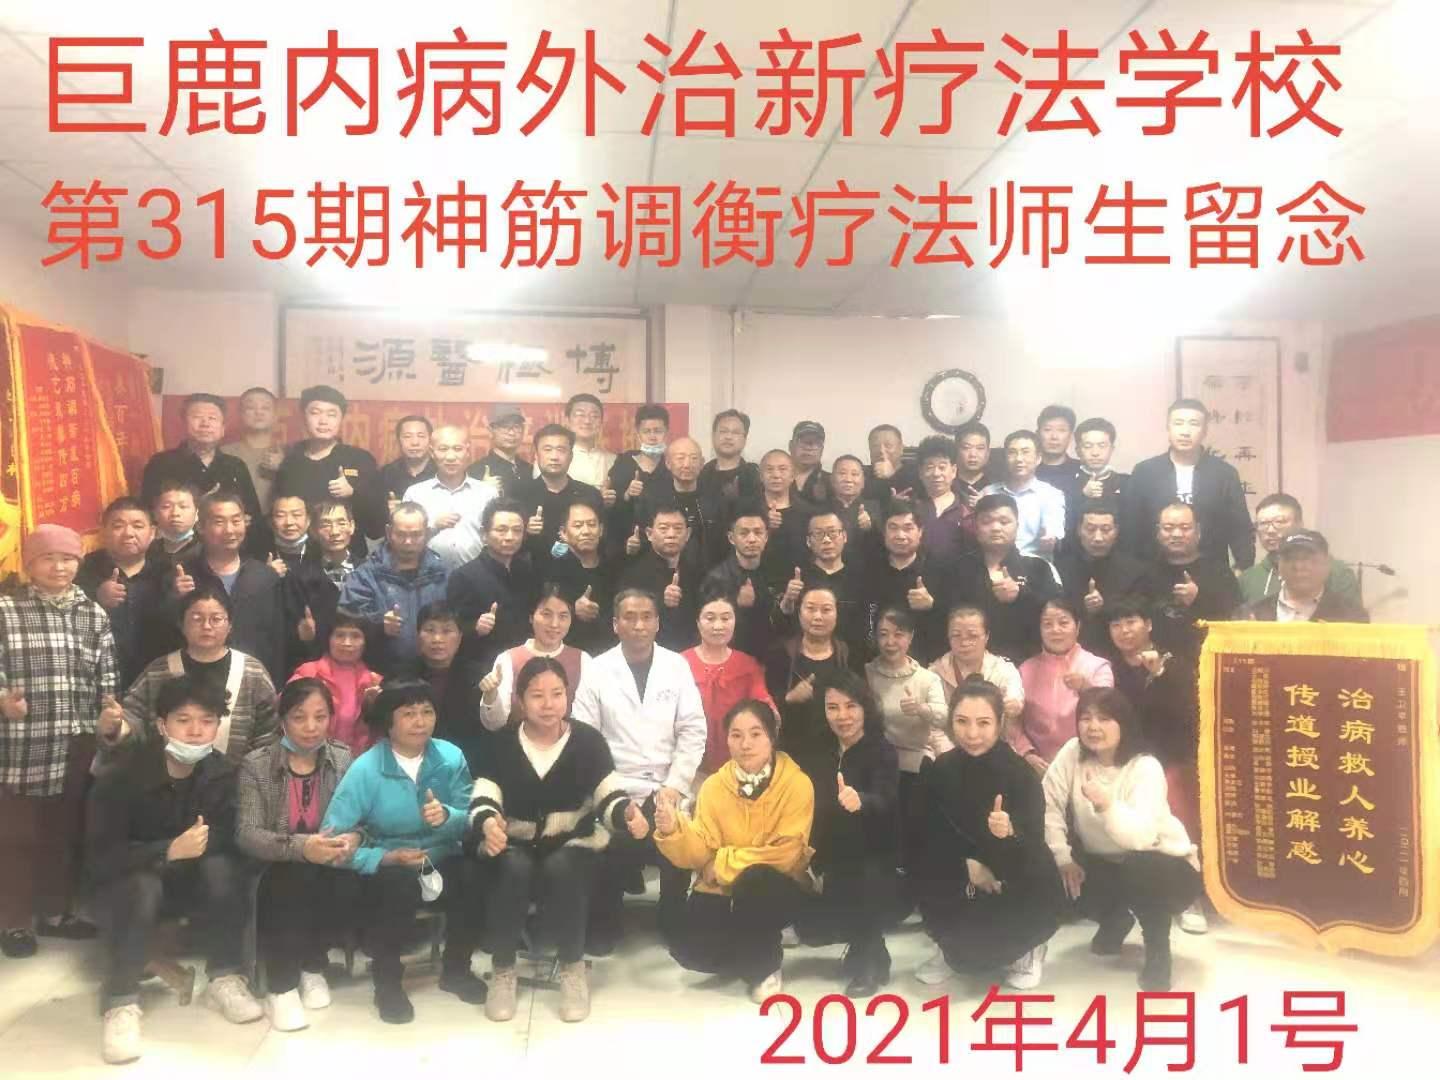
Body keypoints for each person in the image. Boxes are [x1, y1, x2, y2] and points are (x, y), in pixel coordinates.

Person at [88, 677, 259, 1064]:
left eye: (207, 721)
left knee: (224, 869)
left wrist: (196, 849)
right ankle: (120, 1001)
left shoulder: (222, 772)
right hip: (127, 884)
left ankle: (224, 977)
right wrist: (166, 850)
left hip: (190, 883)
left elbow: (232, 836)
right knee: (142, 887)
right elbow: (100, 857)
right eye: (184, 720)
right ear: (161, 725)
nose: (196, 731)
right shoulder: (123, 774)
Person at [471, 657, 638, 1023]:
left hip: (572, 841)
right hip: (515, 841)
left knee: (564, 865)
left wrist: (626, 814)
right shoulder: (501, 744)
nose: (548, 704)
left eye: (557, 694)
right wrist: (488, 824)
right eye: (537, 696)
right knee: (512, 867)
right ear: (520, 700)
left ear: (568, 696)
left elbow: (609, 795)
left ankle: (572, 968)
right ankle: (503, 970)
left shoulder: (588, 741)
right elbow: (484, 796)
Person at [320, 682, 486, 1023]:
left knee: (474, 874)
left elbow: (471, 817)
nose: (420, 721)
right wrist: (381, 858)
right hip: (390, 862)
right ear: (389, 722)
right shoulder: (366, 768)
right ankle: (387, 983)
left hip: (439, 857)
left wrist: (448, 817)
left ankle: (457, 969)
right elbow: (330, 841)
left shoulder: (451, 756)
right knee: (395, 886)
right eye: (408, 714)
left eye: (427, 712)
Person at [0, 525, 122, 959]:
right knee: (16, 836)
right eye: (48, 558)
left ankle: (54, 913)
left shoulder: (93, 614)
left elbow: (107, 675)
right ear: (28, 564)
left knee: (64, 831)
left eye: (68, 558)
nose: (59, 567)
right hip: (19, 744)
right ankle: (14, 921)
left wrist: (108, 715)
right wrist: (3, 701)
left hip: (76, 740)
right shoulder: (6, 610)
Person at [571, 589, 707, 951]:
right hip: (616, 783)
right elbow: (585, 738)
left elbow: (693, 730)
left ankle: (673, 915)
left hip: (668, 782)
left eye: (647, 616)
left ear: (658, 623)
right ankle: (606, 918)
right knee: (613, 838)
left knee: (676, 830)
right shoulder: (597, 669)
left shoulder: (676, 666)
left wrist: (675, 786)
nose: (639, 625)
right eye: (629, 617)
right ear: (615, 624)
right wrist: (613, 794)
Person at [654, 699, 814, 1003]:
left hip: (779, 885)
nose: (745, 744)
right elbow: (700, 852)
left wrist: (723, 863)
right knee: (689, 951)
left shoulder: (797, 783)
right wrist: (673, 830)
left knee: (756, 880)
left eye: (756, 734)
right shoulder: (715, 786)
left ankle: (765, 965)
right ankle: (750, 947)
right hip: (725, 888)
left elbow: (786, 854)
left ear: (772, 737)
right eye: (736, 735)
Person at [1042, 687, 1201, 991]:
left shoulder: (1144, 766)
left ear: (1124, 723)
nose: (1093, 727)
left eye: (1104, 719)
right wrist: (1062, 858)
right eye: (1086, 718)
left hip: (1167, 869)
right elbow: (1048, 805)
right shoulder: (1073, 753)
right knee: (1049, 866)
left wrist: (1107, 805)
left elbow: (1141, 837)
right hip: (1106, 862)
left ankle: (1158, 951)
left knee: (1142, 867)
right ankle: (1115, 919)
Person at [913, 678, 1064, 990]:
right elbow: (927, 832)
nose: (972, 734)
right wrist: (966, 865)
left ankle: (1029, 948)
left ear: (1000, 723)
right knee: (964, 957)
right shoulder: (940, 769)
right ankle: (948, 948)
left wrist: (1010, 831)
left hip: (1010, 878)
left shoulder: (1020, 773)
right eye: (962, 721)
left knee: (987, 949)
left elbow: (1035, 844)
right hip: (963, 875)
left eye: (983, 723)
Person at [237, 678, 360, 1031]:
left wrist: (354, 838)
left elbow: (362, 819)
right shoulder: (256, 764)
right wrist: (302, 848)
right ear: (282, 721)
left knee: (344, 880)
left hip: (329, 863)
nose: (311, 727)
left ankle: (313, 965)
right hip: (273, 865)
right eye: (299, 717)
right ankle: (282, 986)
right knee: (294, 876)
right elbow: (247, 834)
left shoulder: (342, 757)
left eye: (320, 717)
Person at [797, 672, 899, 997]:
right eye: (833, 707)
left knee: (863, 878)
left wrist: (862, 801)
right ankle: (873, 951)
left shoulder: (882, 750)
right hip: (831, 853)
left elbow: (887, 801)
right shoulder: (818, 750)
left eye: (851, 706)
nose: (843, 716)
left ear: (865, 707)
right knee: (809, 927)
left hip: (875, 852)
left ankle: (867, 958)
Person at [120, 586, 278, 762]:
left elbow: (268, 734)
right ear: (182, 625)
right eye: (197, 619)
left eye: (216, 619)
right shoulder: (159, 670)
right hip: (165, 774)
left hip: (239, 775)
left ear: (230, 625)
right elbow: (133, 715)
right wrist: (118, 726)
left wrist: (251, 771)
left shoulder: (252, 672)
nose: (206, 626)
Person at [864, 608, 947, 883]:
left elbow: (944, 716)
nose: (890, 642)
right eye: (883, 634)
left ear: (910, 637)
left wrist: (921, 709)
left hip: (914, 759)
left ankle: (916, 877)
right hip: (877, 763)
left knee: (915, 820)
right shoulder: (867, 673)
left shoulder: (927, 678)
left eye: (898, 634)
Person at [170, 491, 287, 683]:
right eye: (219, 522)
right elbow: (166, 634)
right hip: (195, 682)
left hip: (252, 681)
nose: (230, 530)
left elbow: (277, 640)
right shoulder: (182, 574)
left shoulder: (264, 577)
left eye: (236, 520)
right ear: (200, 527)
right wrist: (176, 599)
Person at [1127, 398, 1254, 569]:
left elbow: (1240, 529)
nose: (1185, 432)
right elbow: (1131, 528)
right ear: (1168, 428)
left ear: (1205, 431)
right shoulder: (1145, 472)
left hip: (1211, 571)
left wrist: (1242, 569)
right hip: (1153, 572)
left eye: (1194, 424)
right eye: (1178, 423)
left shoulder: (1224, 474)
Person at [339, 502, 450, 676]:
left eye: (416, 535)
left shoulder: (443, 574)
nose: (408, 541)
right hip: (380, 674)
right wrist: (379, 625)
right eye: (401, 534)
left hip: (435, 672)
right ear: (389, 532)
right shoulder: (365, 575)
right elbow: (346, 622)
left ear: (427, 533)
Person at [274, 385, 385, 560]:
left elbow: (377, 526)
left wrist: (353, 493)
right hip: (299, 557)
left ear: (341, 419)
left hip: (348, 558)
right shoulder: (290, 461)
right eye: (315, 413)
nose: (323, 421)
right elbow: (279, 514)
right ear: (303, 417)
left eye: (331, 414)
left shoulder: (360, 459)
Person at [766, 585, 858, 790]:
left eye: (826, 610)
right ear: (799, 613)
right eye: (810, 608)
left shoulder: (848, 655)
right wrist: (789, 698)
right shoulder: (780, 654)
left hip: (838, 758)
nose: (818, 616)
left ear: (837, 614)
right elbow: (763, 707)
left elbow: (863, 704)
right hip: (789, 757)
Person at [683, 592, 775, 782]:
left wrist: (771, 715)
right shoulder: (679, 663)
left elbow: (762, 704)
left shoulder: (747, 665)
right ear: (698, 622)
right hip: (688, 768)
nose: (718, 626)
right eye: (710, 618)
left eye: (726, 618)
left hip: (738, 767)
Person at [480, 586, 595, 732]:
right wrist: (490, 696)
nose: (554, 624)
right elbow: (494, 724)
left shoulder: (583, 660)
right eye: (546, 614)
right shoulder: (508, 659)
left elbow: (589, 721)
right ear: (531, 617)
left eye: (563, 616)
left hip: (571, 742)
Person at [1017, 598, 1115, 769]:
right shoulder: (1025, 670)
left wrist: (1086, 687)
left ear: (1078, 627)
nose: (1055, 630)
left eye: (1063, 623)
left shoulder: (1097, 666)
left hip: (1089, 763)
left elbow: (1108, 712)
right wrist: (1026, 753)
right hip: (1037, 766)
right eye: (1047, 624)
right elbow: (1012, 722)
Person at [77, 496, 164, 687]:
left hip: (155, 680)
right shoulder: (82, 570)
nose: (128, 533)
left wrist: (180, 596)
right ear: (103, 532)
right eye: (118, 526)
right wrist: (96, 597)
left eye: (138, 526)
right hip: (95, 680)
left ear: (152, 532)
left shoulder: (167, 572)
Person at [962, 493, 1059, 664]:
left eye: (1004, 521)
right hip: (969, 663)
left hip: (1026, 663)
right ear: (976, 528)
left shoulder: (1038, 567)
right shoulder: (958, 568)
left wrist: (1021, 594)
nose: (996, 528)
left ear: (1017, 526)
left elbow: (1057, 615)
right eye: (986, 521)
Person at [141, 392, 262, 529]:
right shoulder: (161, 463)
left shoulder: (236, 466)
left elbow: (253, 516)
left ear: (223, 429)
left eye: (212, 418)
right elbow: (147, 515)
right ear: (184, 424)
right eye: (197, 417)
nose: (205, 424)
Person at [395, 604, 491, 774]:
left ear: (459, 638)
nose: (437, 639)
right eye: (430, 630)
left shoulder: (478, 677)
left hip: (465, 766)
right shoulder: (401, 676)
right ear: (418, 636)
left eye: (447, 631)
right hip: (411, 765)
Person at [447, 499, 539, 672]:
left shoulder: (528, 572)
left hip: (526, 665)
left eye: (517, 530)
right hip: (483, 669)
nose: (510, 537)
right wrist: (475, 628)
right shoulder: (464, 576)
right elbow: (451, 631)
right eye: (501, 530)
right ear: (484, 533)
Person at [862, 500, 958, 664]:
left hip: (928, 663)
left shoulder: (940, 570)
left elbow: (956, 622)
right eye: (893, 528)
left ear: (920, 532)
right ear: (884, 532)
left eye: (908, 528)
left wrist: (932, 605)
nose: (900, 535)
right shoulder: (870, 570)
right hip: (876, 663)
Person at [1055, 502, 1159, 653]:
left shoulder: (1135, 571)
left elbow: (1140, 614)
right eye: (1090, 529)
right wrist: (1084, 607)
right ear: (1079, 530)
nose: (1098, 537)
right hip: (1073, 651)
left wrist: (1104, 606)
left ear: (1116, 531)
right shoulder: (1060, 569)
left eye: (1105, 530)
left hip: (1122, 651)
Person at [1149, 502, 1244, 662]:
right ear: (1158, 532)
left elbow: (1235, 620)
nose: (1177, 534)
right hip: (1159, 663)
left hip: (1210, 660)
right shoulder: (1146, 573)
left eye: (1185, 527)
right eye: (1168, 528)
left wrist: (1198, 598)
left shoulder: (1219, 572)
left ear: (1198, 532)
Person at [1239, 495, 1362, 607]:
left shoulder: (1336, 573)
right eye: (1263, 523)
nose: (1270, 530)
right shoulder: (1249, 579)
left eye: (1280, 522)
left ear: (1300, 524)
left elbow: (1353, 620)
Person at [288, 612, 383, 756]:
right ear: (328, 640)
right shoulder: (309, 672)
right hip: (313, 759)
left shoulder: (375, 681)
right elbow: (281, 711)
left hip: (358, 762)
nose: (347, 643)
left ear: (365, 642)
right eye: (340, 635)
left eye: (355, 636)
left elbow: (385, 732)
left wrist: (376, 707)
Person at [403, 424, 494, 570]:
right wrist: (433, 526)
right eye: (443, 449)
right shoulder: (415, 493)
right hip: (427, 577)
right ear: (432, 452)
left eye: (457, 449)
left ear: (467, 451)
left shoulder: (487, 493)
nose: (450, 457)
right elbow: (402, 540)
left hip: (476, 576)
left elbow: (496, 538)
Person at [618, 499, 703, 652]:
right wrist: (663, 605)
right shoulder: (634, 575)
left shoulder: (696, 571)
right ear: (649, 534)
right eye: (663, 528)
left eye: (678, 528)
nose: (671, 534)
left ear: (688, 534)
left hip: (690, 654)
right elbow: (629, 624)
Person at [702, 502, 783, 661]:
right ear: (731, 538)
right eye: (744, 533)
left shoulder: (776, 572)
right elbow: (708, 628)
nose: (752, 539)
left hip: (771, 656)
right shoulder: (717, 578)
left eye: (758, 532)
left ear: (766, 537)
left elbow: (782, 626)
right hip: (731, 657)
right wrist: (736, 604)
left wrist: (787, 606)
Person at [513, 424, 601, 568]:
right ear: (536, 455)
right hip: (531, 574)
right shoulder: (518, 494)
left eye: (561, 450)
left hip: (580, 573)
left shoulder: (590, 495)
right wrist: (524, 531)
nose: (554, 457)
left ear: (571, 456)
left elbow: (602, 541)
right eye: (547, 450)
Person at [637, 436, 728, 570]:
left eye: (694, 458)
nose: (687, 464)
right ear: (668, 463)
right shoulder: (652, 499)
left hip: (710, 573)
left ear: (702, 463)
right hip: (663, 571)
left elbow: (724, 542)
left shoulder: (716, 499)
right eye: (680, 458)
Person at [1243, 529, 1369, 622]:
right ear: (1279, 564)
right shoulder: (1253, 615)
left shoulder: (1352, 616)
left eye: (1308, 559)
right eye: (1291, 558)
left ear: (1327, 563)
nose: (1299, 566)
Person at [792, 507, 869, 657]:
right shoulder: (798, 578)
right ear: (808, 541)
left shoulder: (860, 577)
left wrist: (869, 645)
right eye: (818, 534)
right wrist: (788, 602)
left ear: (844, 536)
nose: (827, 540)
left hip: (854, 657)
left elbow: (871, 617)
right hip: (807, 656)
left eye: (833, 533)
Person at [983, 430, 1066, 568]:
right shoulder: (988, 493)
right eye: (1012, 452)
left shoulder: (1051, 495)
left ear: (1038, 458)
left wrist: (1050, 538)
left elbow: (1053, 529)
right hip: (993, 567)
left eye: (1025, 452)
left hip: (1034, 568)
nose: (1019, 459)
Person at [545, 498, 618, 656]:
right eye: (578, 526)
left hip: (610, 655)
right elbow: (543, 617)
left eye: (591, 524)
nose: (586, 531)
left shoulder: (615, 567)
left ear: (601, 530)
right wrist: (572, 610)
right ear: (563, 533)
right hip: (566, 654)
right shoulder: (551, 570)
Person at [930, 605, 1025, 721]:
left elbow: (1015, 694)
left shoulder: (1004, 670)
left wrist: (1013, 704)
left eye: (973, 636)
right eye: (956, 635)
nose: (964, 643)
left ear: (987, 636)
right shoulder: (934, 672)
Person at [606, 404, 672, 545]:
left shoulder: (671, 466)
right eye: (646, 431)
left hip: (664, 542)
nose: (652, 437)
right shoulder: (624, 463)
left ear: (666, 433)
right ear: (638, 434)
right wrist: (627, 494)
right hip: (624, 541)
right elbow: (610, 505)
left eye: (658, 431)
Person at [914, 434, 979, 566]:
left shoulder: (968, 507)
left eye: (942, 467)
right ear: (920, 473)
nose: (936, 473)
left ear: (954, 471)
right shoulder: (911, 506)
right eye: (930, 467)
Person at [221, 386, 286, 513]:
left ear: (275, 415)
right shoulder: (224, 453)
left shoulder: (289, 453)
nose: (259, 412)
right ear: (240, 414)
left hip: (279, 522)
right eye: (250, 408)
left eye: (265, 408)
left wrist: (284, 468)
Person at [1067, 417, 1130, 539]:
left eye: (1102, 446)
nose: (1095, 452)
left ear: (1111, 449)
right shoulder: (1067, 483)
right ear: (1078, 450)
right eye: (1088, 446)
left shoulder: (1126, 483)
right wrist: (1082, 495)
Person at [757, 449, 813, 582]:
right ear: (761, 476)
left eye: (782, 469)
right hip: (756, 581)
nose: (776, 475)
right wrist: (764, 524)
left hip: (797, 582)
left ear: (792, 475)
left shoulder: (807, 512)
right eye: (769, 469)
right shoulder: (747, 509)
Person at [828, 454, 882, 567]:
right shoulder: (821, 510)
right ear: (832, 479)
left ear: (863, 481)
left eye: (855, 474)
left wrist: (870, 528)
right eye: (842, 473)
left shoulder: (877, 508)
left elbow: (884, 546)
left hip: (867, 570)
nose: (848, 479)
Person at [699, 408, 761, 502]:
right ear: (713, 436)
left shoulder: (754, 476)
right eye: (723, 431)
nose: (728, 437)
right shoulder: (701, 474)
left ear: (744, 439)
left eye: (735, 432)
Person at [379, 415, 436, 508]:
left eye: (421, 436)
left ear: (430, 439)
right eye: (407, 436)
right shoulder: (386, 473)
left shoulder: (441, 472)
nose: (415, 442)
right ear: (398, 440)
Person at [563, 393, 617, 490]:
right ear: (567, 421)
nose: (587, 421)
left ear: (601, 422)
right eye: (580, 415)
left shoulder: (613, 461)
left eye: (594, 416)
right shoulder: (556, 459)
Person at [470, 408, 529, 496]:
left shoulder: (529, 469)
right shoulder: (477, 470)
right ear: (491, 430)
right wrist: (482, 491)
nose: (511, 433)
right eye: (504, 426)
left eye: (516, 427)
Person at [148, 480, 202, 568]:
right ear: (155, 514)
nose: (175, 513)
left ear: (197, 514)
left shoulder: (207, 550)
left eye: (183, 506)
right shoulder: (147, 551)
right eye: (166, 506)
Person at [1034, 404, 1081, 498]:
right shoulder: (1026, 469)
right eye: (1047, 430)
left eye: (1061, 430)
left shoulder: (1082, 470)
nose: (1054, 437)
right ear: (1038, 434)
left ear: (1071, 436)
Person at [864, 423, 917, 501]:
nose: (881, 451)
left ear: (901, 448)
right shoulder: (861, 475)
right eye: (875, 446)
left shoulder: (916, 473)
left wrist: (892, 476)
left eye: (888, 446)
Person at [954, 421, 997, 509]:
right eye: (966, 448)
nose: (973, 454)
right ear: (956, 451)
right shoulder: (946, 484)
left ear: (988, 453)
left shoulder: (997, 486)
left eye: (980, 448)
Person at [789, 420, 830, 503]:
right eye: (803, 441)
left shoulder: (832, 483)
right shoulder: (773, 479)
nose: (808, 448)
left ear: (821, 450)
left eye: (816, 443)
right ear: (790, 446)